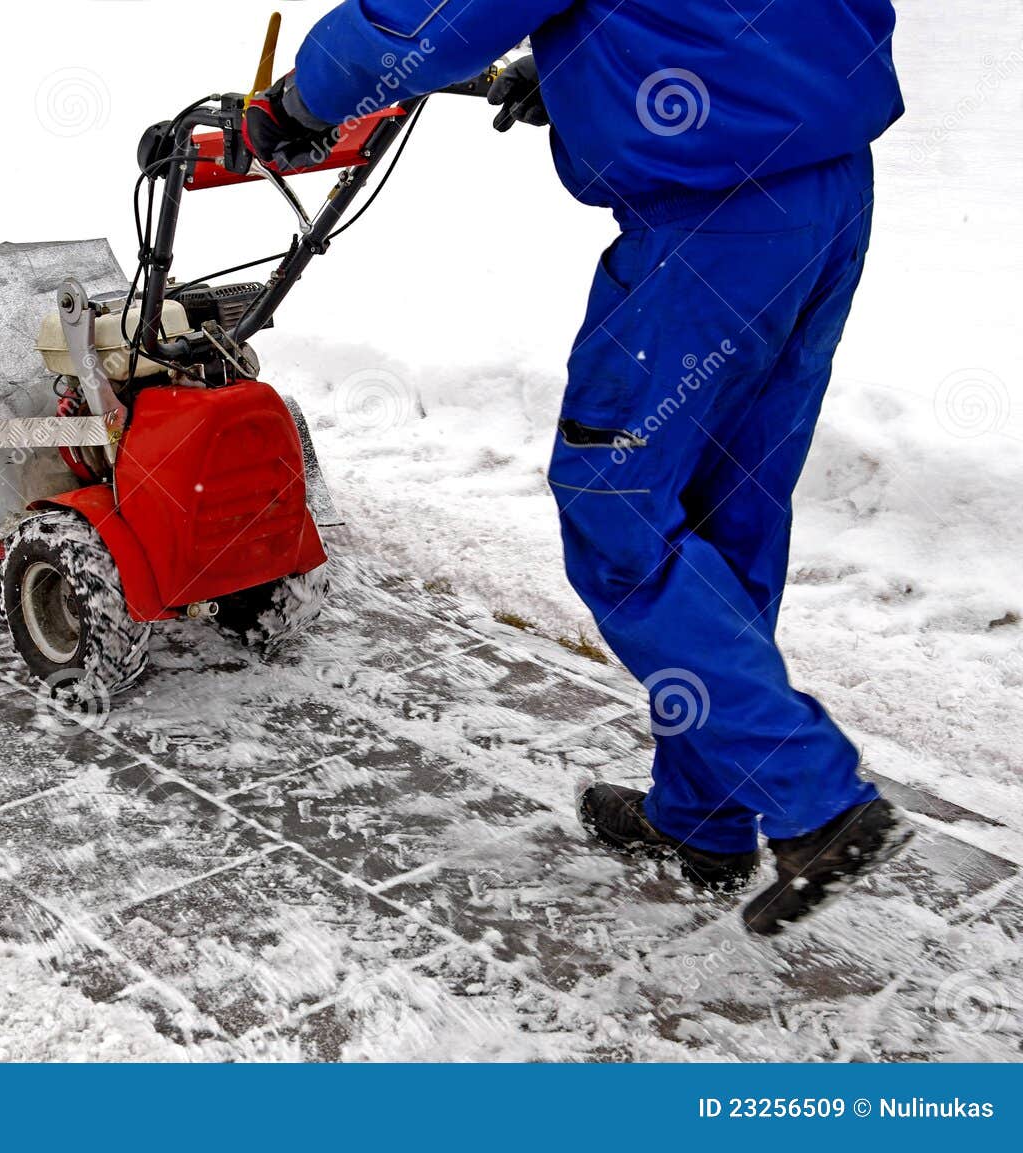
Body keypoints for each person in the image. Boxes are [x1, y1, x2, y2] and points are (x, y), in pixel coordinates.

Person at [243, 0, 913, 935]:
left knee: (619, 504)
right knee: (727, 506)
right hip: (827, 181)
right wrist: (589, 70)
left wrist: (299, 103)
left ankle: (812, 795)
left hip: (715, 219)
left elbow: (425, 20)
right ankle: (705, 816)